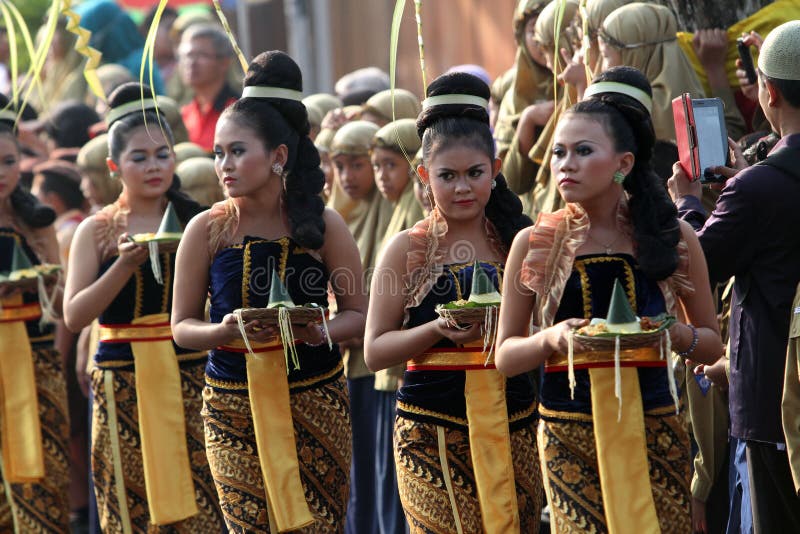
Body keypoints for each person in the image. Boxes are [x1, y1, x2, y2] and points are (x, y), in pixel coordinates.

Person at [495, 66, 723, 532]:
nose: (565, 164)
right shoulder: (535, 242)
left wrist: (674, 335)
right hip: (568, 434)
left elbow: (713, 345)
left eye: (582, 151)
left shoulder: (671, 236)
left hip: (655, 428)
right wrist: (551, 339)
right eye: (558, 152)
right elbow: (504, 356)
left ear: (623, 163)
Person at [170, 50, 365, 533]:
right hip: (233, 404)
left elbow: (360, 315)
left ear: (278, 156)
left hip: (316, 397)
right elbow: (181, 328)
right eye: (218, 152)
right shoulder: (206, 229)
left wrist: (317, 330)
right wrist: (223, 330)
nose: (224, 165)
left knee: (320, 525)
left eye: (237, 151)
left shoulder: (324, 223)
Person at [364, 72, 541, 533]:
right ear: (424, 176)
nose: (462, 188)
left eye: (474, 174)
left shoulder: (518, 240)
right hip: (430, 427)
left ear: (496, 169)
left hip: (514, 418)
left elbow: (541, 324)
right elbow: (375, 349)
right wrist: (437, 330)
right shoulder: (407, 247)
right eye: (448, 176)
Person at [63, 83, 223, 533]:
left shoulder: (201, 221)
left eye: (162, 155)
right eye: (139, 157)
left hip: (191, 370)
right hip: (121, 378)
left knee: (205, 494)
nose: (154, 167)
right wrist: (122, 266)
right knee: (128, 500)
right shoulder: (96, 230)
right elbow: (75, 315)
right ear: (114, 167)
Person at [669, 21, 800, 532]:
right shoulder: (757, 183)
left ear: (768, 92)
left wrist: (686, 203)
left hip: (774, 406)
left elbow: (703, 264)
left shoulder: (756, 188)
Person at [0, 97, 71, 532]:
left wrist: (42, 283)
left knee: (49, 472)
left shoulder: (37, 221)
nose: (1, 172)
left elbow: (63, 304)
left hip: (39, 355)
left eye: (8, 161)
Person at [370, 117, 424, 534]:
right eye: (377, 165)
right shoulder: (400, 232)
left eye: (392, 164)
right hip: (397, 378)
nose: (381, 177)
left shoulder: (413, 227)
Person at [178, 23, 239, 151]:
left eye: (200, 55)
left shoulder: (239, 113)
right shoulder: (184, 114)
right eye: (186, 56)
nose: (191, 62)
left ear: (224, 62)